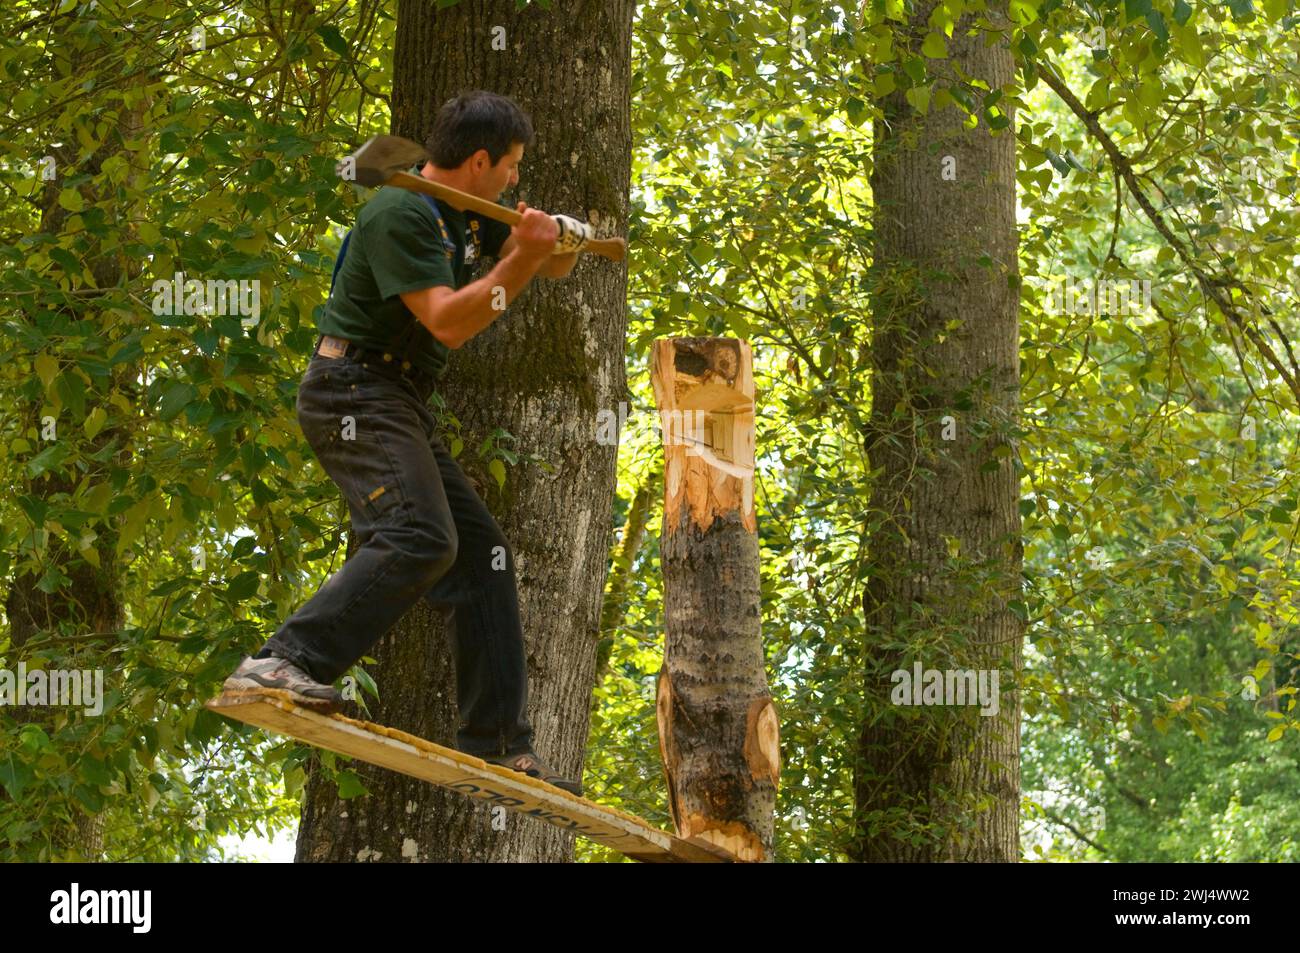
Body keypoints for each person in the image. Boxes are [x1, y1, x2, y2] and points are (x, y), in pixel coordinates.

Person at [222, 90, 583, 796]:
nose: (514, 179)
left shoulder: (462, 218)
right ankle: (281, 662)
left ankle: (499, 745)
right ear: (480, 160)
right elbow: (449, 321)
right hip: (352, 389)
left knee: (483, 556)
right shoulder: (401, 212)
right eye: (510, 166)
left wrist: (554, 243)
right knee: (420, 534)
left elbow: (538, 265)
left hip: (399, 399)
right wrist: (522, 262)